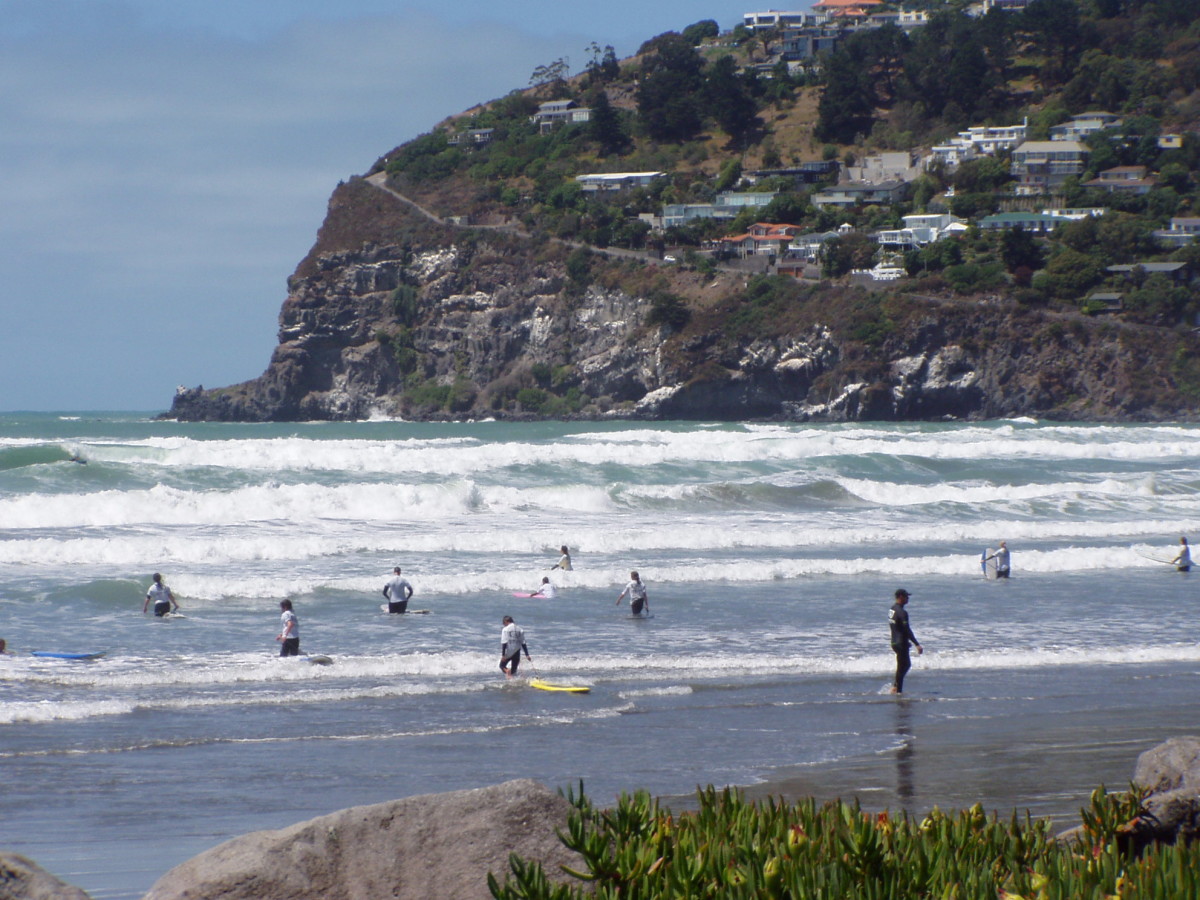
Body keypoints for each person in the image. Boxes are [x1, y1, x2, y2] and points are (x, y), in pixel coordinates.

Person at [888, 588, 922, 694]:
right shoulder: (902, 612)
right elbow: (907, 629)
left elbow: (896, 627)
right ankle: (897, 690)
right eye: (906, 597)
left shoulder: (892, 609)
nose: (908, 599)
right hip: (901, 642)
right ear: (901, 597)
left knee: (902, 665)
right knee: (905, 665)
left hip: (894, 642)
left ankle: (896, 687)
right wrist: (917, 644)